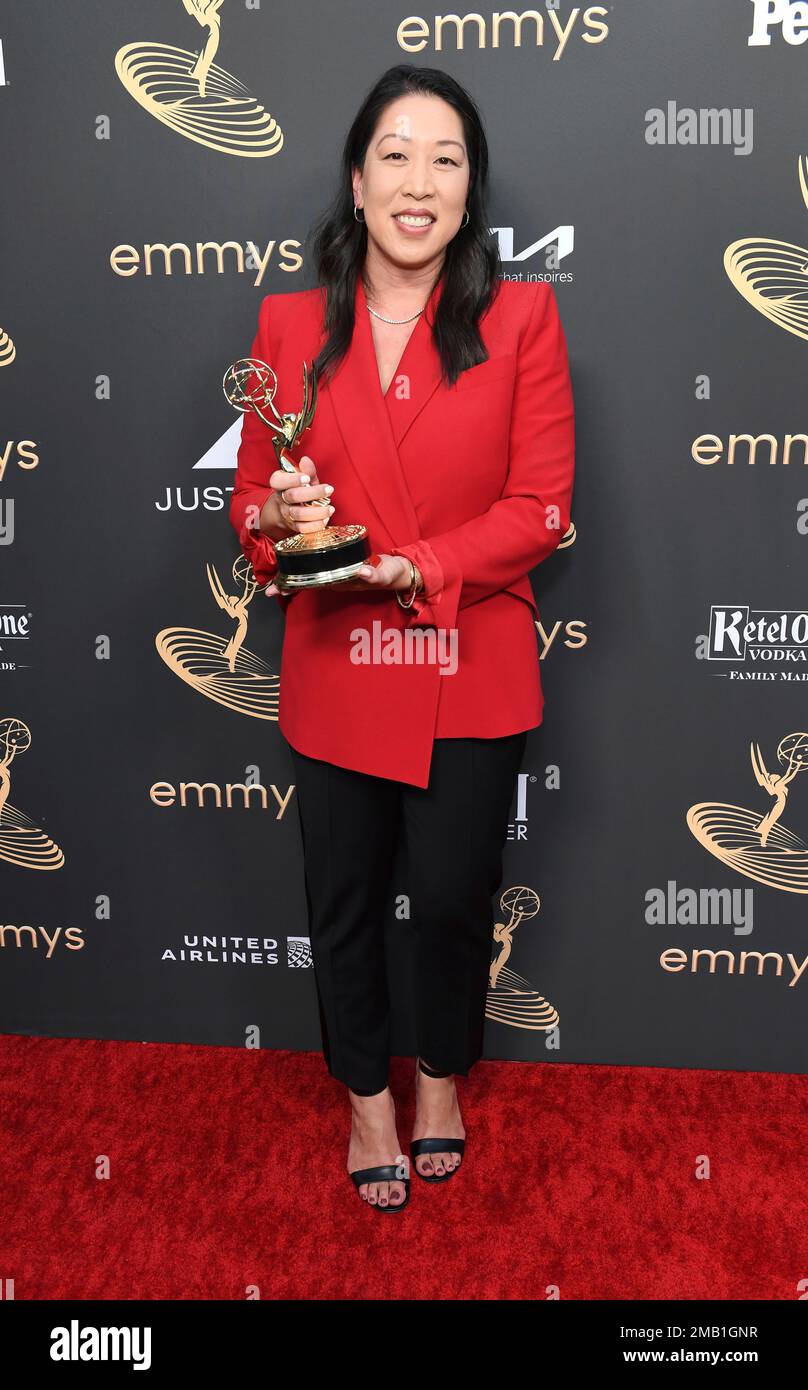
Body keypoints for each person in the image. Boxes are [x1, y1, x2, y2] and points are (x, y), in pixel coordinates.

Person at [229, 63, 575, 1212]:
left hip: (469, 655)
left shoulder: (521, 316)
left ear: (471, 189)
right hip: (338, 658)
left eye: (446, 158)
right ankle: (365, 1098)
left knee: (455, 894)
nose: (418, 182)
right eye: (395, 154)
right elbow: (253, 512)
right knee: (343, 902)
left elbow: (539, 509)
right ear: (356, 177)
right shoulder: (287, 326)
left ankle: (436, 1079)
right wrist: (276, 523)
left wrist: (416, 566)